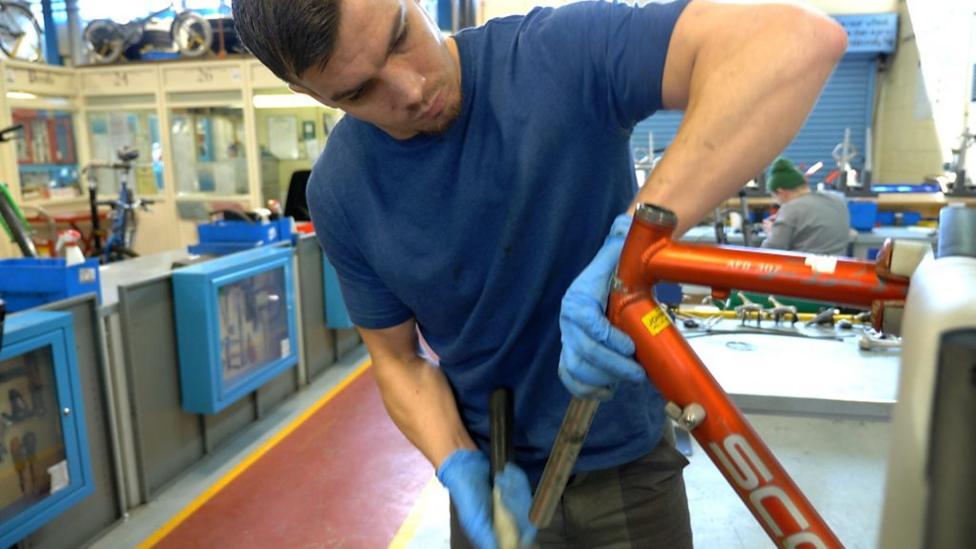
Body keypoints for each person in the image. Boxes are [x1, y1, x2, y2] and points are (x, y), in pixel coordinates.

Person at [232, 0, 846, 546]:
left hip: (630, 468)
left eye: (399, 36)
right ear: (310, 93)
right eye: (360, 91)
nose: (411, 89)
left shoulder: (558, 55)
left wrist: (632, 244)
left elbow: (794, 42)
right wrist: (457, 464)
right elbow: (396, 361)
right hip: (495, 484)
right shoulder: (342, 192)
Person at [761, 156, 852, 255]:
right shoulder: (838, 199)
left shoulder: (790, 208)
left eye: (775, 196)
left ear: (781, 192)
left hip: (806, 264)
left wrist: (771, 232)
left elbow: (771, 250)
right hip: (839, 262)